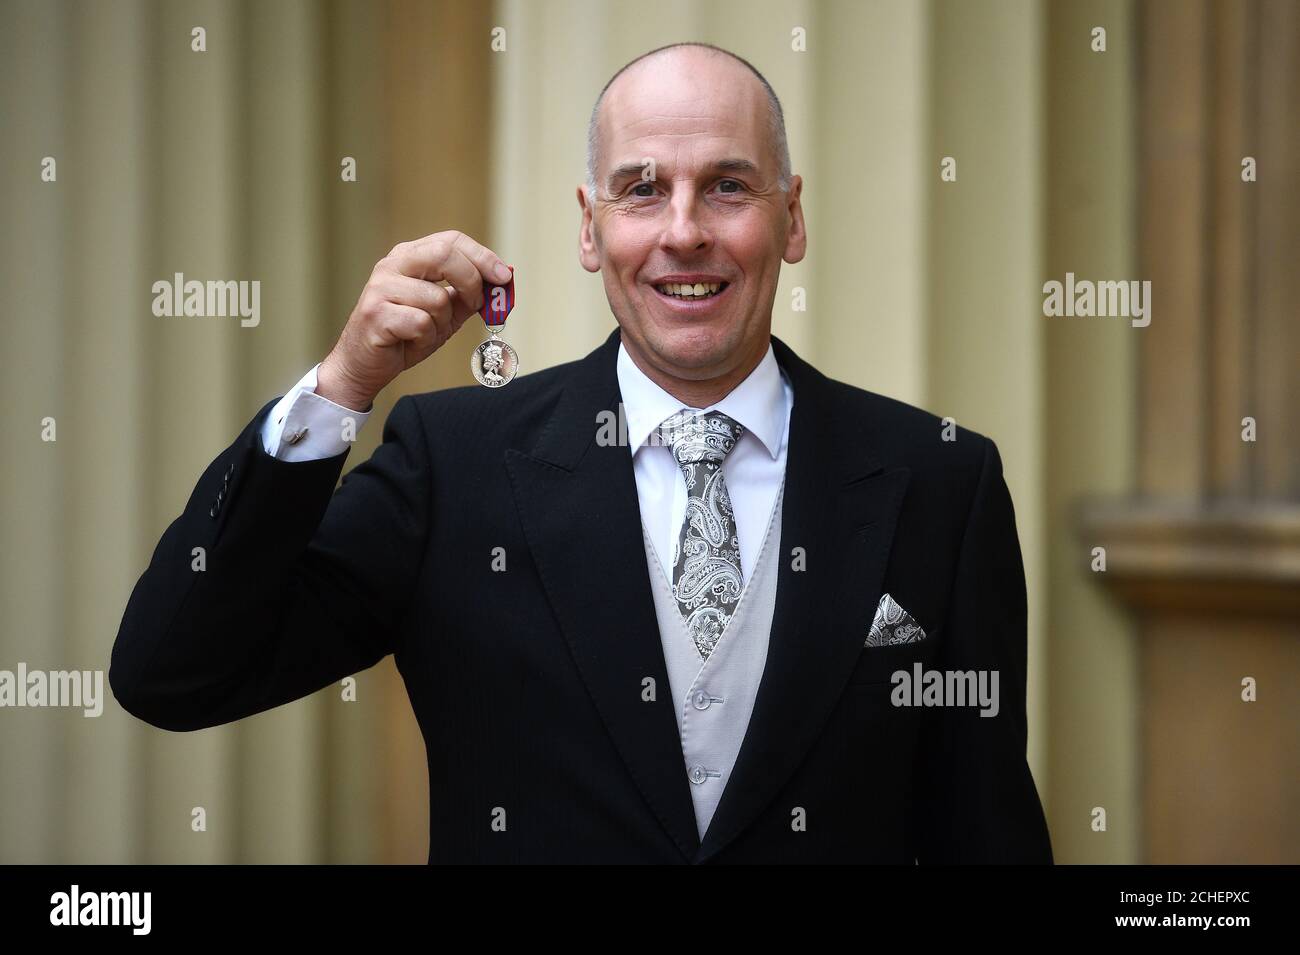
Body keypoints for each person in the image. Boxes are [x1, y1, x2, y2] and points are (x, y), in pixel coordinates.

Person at [110, 42, 1052, 864]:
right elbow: (176, 671)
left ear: (791, 218)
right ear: (590, 227)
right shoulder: (455, 466)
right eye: (642, 189)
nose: (683, 230)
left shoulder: (942, 482)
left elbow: (987, 833)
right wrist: (342, 386)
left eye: (727, 185)